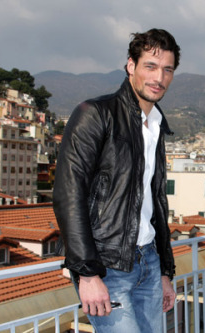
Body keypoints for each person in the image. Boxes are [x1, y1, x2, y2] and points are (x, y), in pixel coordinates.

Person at [53, 28, 180, 333]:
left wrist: (164, 271)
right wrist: (87, 274)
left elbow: (155, 203)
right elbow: (69, 195)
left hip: (148, 261)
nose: (159, 78)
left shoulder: (156, 126)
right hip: (106, 266)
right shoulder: (95, 114)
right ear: (130, 66)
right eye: (150, 66)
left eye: (167, 70)